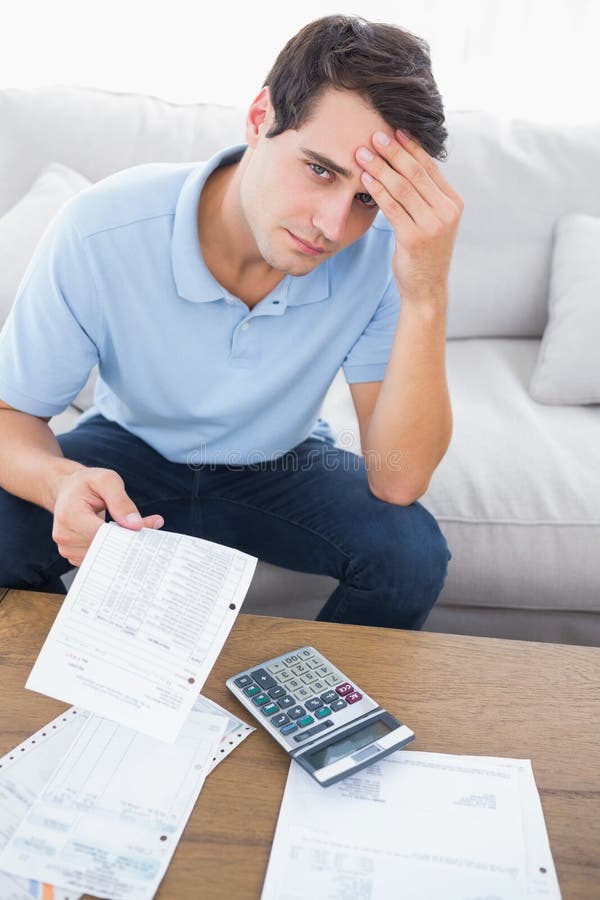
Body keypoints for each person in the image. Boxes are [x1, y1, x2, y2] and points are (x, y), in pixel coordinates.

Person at [0, 14, 463, 628]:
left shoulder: (381, 257)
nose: (330, 226)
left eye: (367, 199)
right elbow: (10, 416)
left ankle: (312, 710)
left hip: (281, 461)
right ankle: (87, 692)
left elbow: (398, 481)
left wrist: (427, 292)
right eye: (320, 169)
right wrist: (61, 482)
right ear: (260, 117)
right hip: (130, 449)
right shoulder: (99, 229)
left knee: (410, 553)